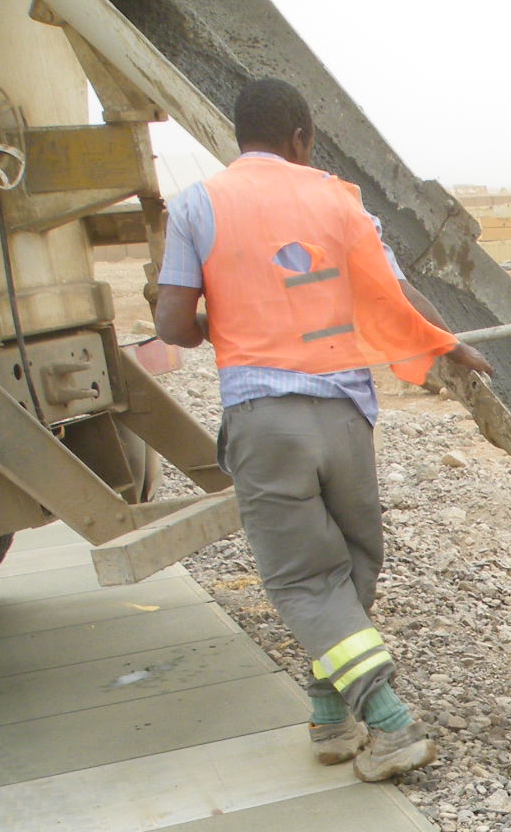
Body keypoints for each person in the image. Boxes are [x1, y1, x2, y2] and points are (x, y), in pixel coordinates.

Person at [153, 78, 492, 782]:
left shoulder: (195, 206)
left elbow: (171, 328)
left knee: (307, 583)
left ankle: (389, 723)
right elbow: (395, 300)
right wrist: (452, 348)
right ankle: (329, 713)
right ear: (302, 138)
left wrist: (218, 316)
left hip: (264, 420)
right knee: (353, 563)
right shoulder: (342, 202)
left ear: (239, 138)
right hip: (344, 415)